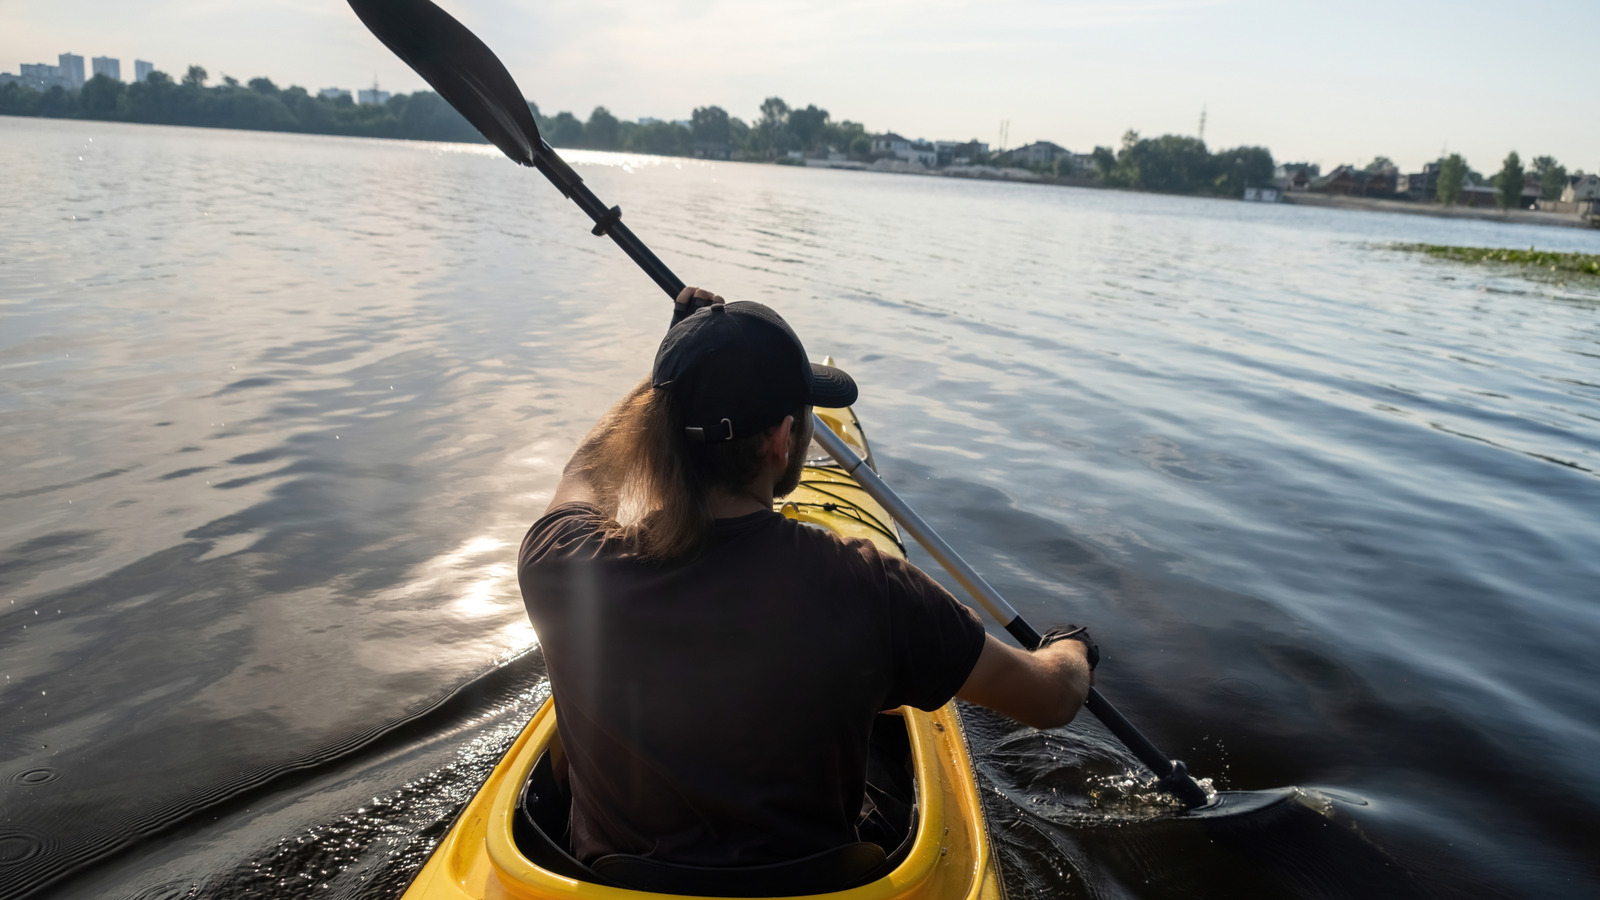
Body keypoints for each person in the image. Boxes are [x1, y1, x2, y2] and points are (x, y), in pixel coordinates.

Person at [517, 285, 1094, 886]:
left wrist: (672, 370)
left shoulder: (562, 560)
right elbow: (1050, 700)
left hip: (613, 878)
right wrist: (1072, 648)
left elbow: (587, 469)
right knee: (883, 742)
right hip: (813, 883)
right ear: (781, 438)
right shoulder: (871, 584)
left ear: (655, 426)